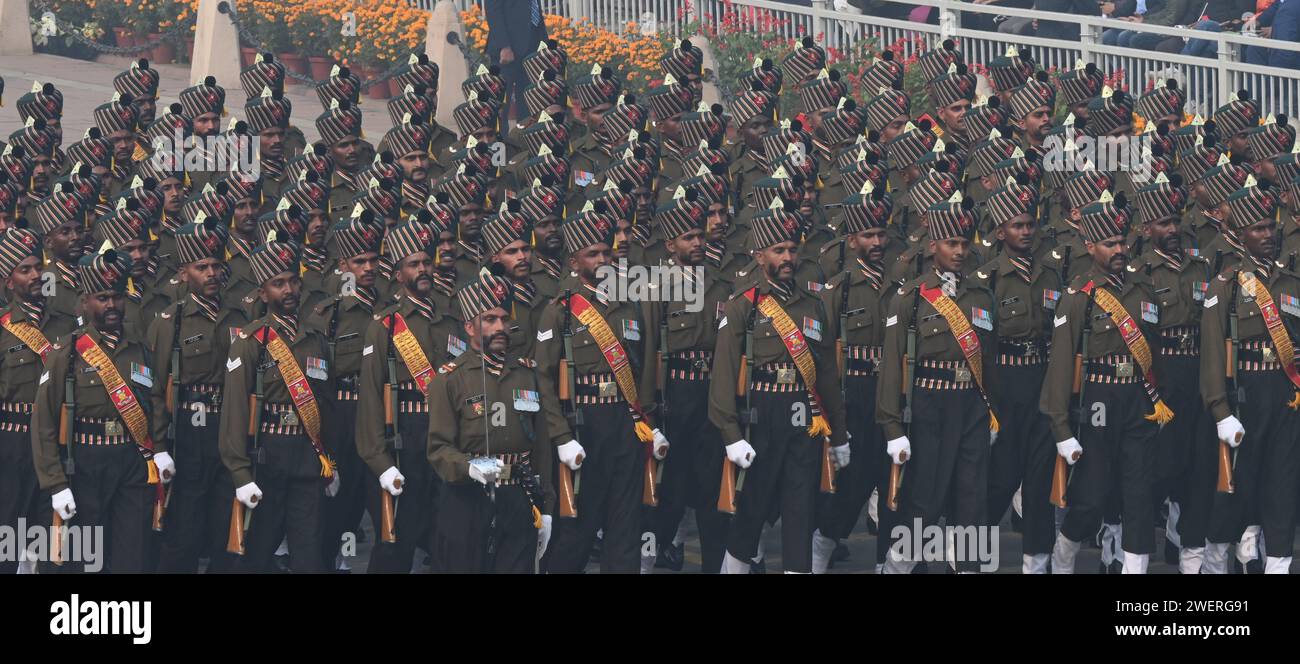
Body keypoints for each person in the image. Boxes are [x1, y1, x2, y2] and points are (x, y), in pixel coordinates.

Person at [710, 200, 849, 574]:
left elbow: (826, 378)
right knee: (751, 510)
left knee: (801, 511)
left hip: (804, 421)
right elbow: (722, 377)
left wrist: (839, 436)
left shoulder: (813, 305)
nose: (788, 257)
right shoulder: (743, 306)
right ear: (759, 255)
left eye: (791, 249)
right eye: (778, 250)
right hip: (760, 417)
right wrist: (731, 435)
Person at [32, 249, 170, 573]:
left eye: (117, 297)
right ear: (84, 301)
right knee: (86, 560)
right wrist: (55, 483)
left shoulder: (139, 349)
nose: (111, 305)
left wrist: (161, 450)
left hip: (133, 461)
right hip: (85, 465)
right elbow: (44, 424)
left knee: (132, 556)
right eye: (102, 297)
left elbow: (156, 404)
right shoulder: (66, 353)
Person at [426, 272, 557, 572]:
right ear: (469, 326)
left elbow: (542, 448)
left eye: (503, 319)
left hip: (518, 496)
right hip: (468, 499)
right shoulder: (449, 380)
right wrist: (467, 467)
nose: (500, 327)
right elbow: (438, 448)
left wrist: (546, 508)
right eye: (489, 320)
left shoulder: (528, 374)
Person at [149, 219, 249, 573]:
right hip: (190, 431)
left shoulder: (240, 315)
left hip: (231, 427)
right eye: (201, 267)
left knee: (228, 526)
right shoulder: (170, 321)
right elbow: (157, 388)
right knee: (185, 530)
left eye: (216, 266)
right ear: (184, 273)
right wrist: (159, 447)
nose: (211, 273)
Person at [485, 0, 548, 125]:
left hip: (532, 43)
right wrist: (504, 46)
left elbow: (533, 7)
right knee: (501, 102)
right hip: (507, 48)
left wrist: (544, 42)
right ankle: (499, 140)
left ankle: (522, 139)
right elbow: (493, 12)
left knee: (528, 99)